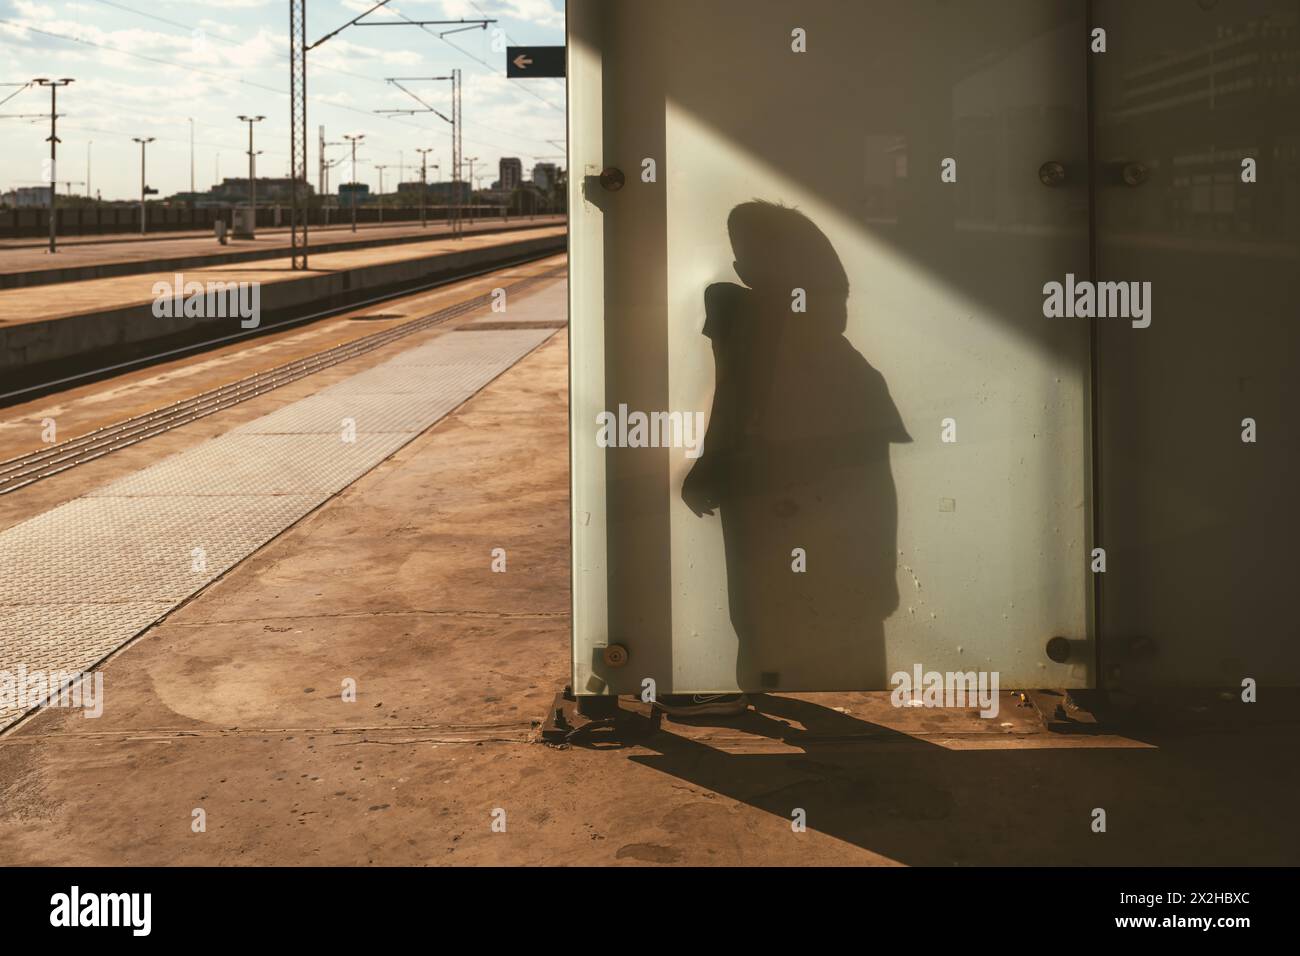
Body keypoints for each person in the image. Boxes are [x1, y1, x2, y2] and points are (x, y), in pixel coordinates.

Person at [660, 201, 909, 718]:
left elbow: (735, 395)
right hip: (826, 459)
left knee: (756, 596)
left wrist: (710, 467)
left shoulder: (737, 310)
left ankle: (747, 690)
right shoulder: (851, 368)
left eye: (744, 256)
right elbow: (877, 496)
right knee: (829, 595)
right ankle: (819, 699)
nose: (737, 268)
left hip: (765, 470)